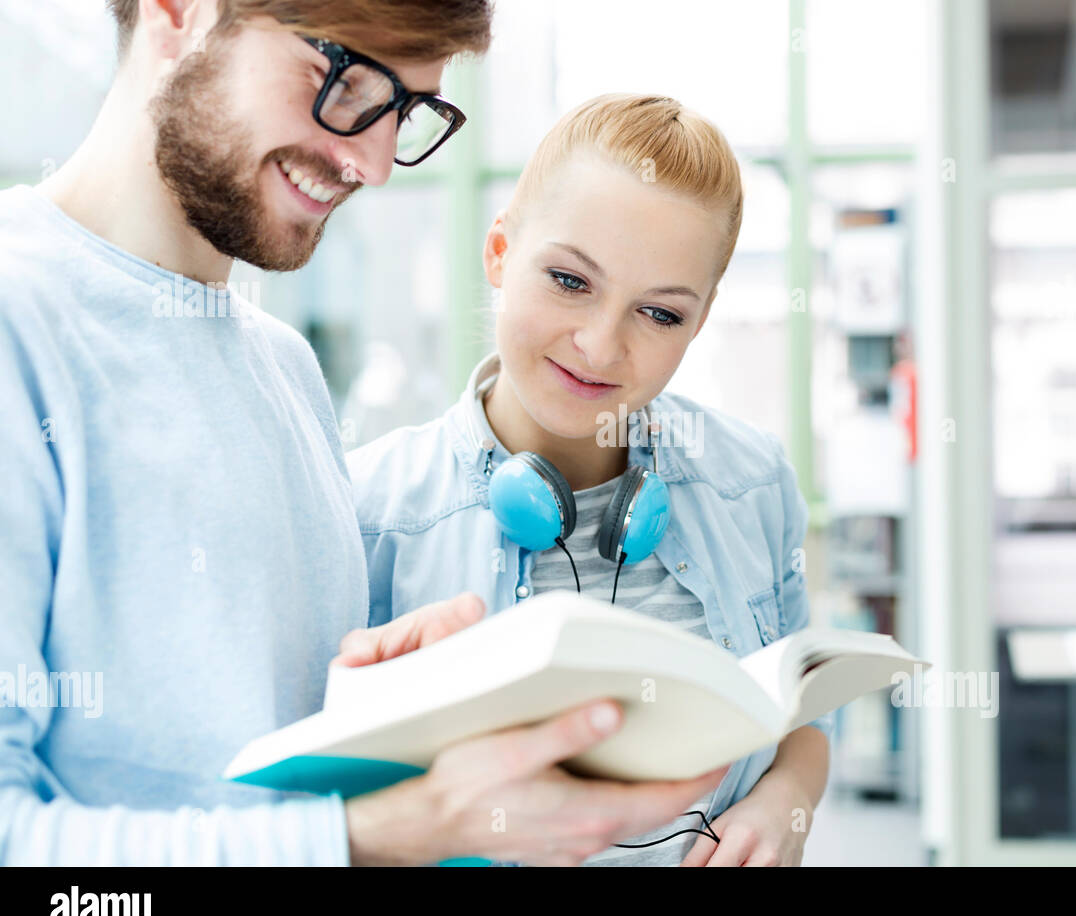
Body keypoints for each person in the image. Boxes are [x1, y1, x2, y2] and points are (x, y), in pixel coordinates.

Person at [0, 0, 724, 867]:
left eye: (406, 112)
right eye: (343, 77)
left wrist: (378, 727)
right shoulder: (20, 329)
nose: (375, 162)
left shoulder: (285, 369)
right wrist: (381, 834)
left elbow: (217, 774)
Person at [347, 94, 831, 866]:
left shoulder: (752, 482)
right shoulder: (371, 511)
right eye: (571, 281)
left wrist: (785, 805)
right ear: (500, 251)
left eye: (660, 314)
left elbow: (804, 715)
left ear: (700, 320)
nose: (601, 347)